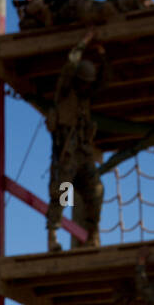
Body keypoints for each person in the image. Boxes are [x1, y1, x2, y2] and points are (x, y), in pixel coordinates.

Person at [45, 32, 105, 251]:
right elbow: (70, 65)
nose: (86, 88)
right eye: (84, 84)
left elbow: (103, 81)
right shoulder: (66, 92)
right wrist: (85, 42)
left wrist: (103, 56)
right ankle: (53, 236)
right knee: (62, 193)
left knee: (96, 191)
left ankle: (93, 234)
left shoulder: (85, 98)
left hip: (83, 153)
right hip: (67, 154)